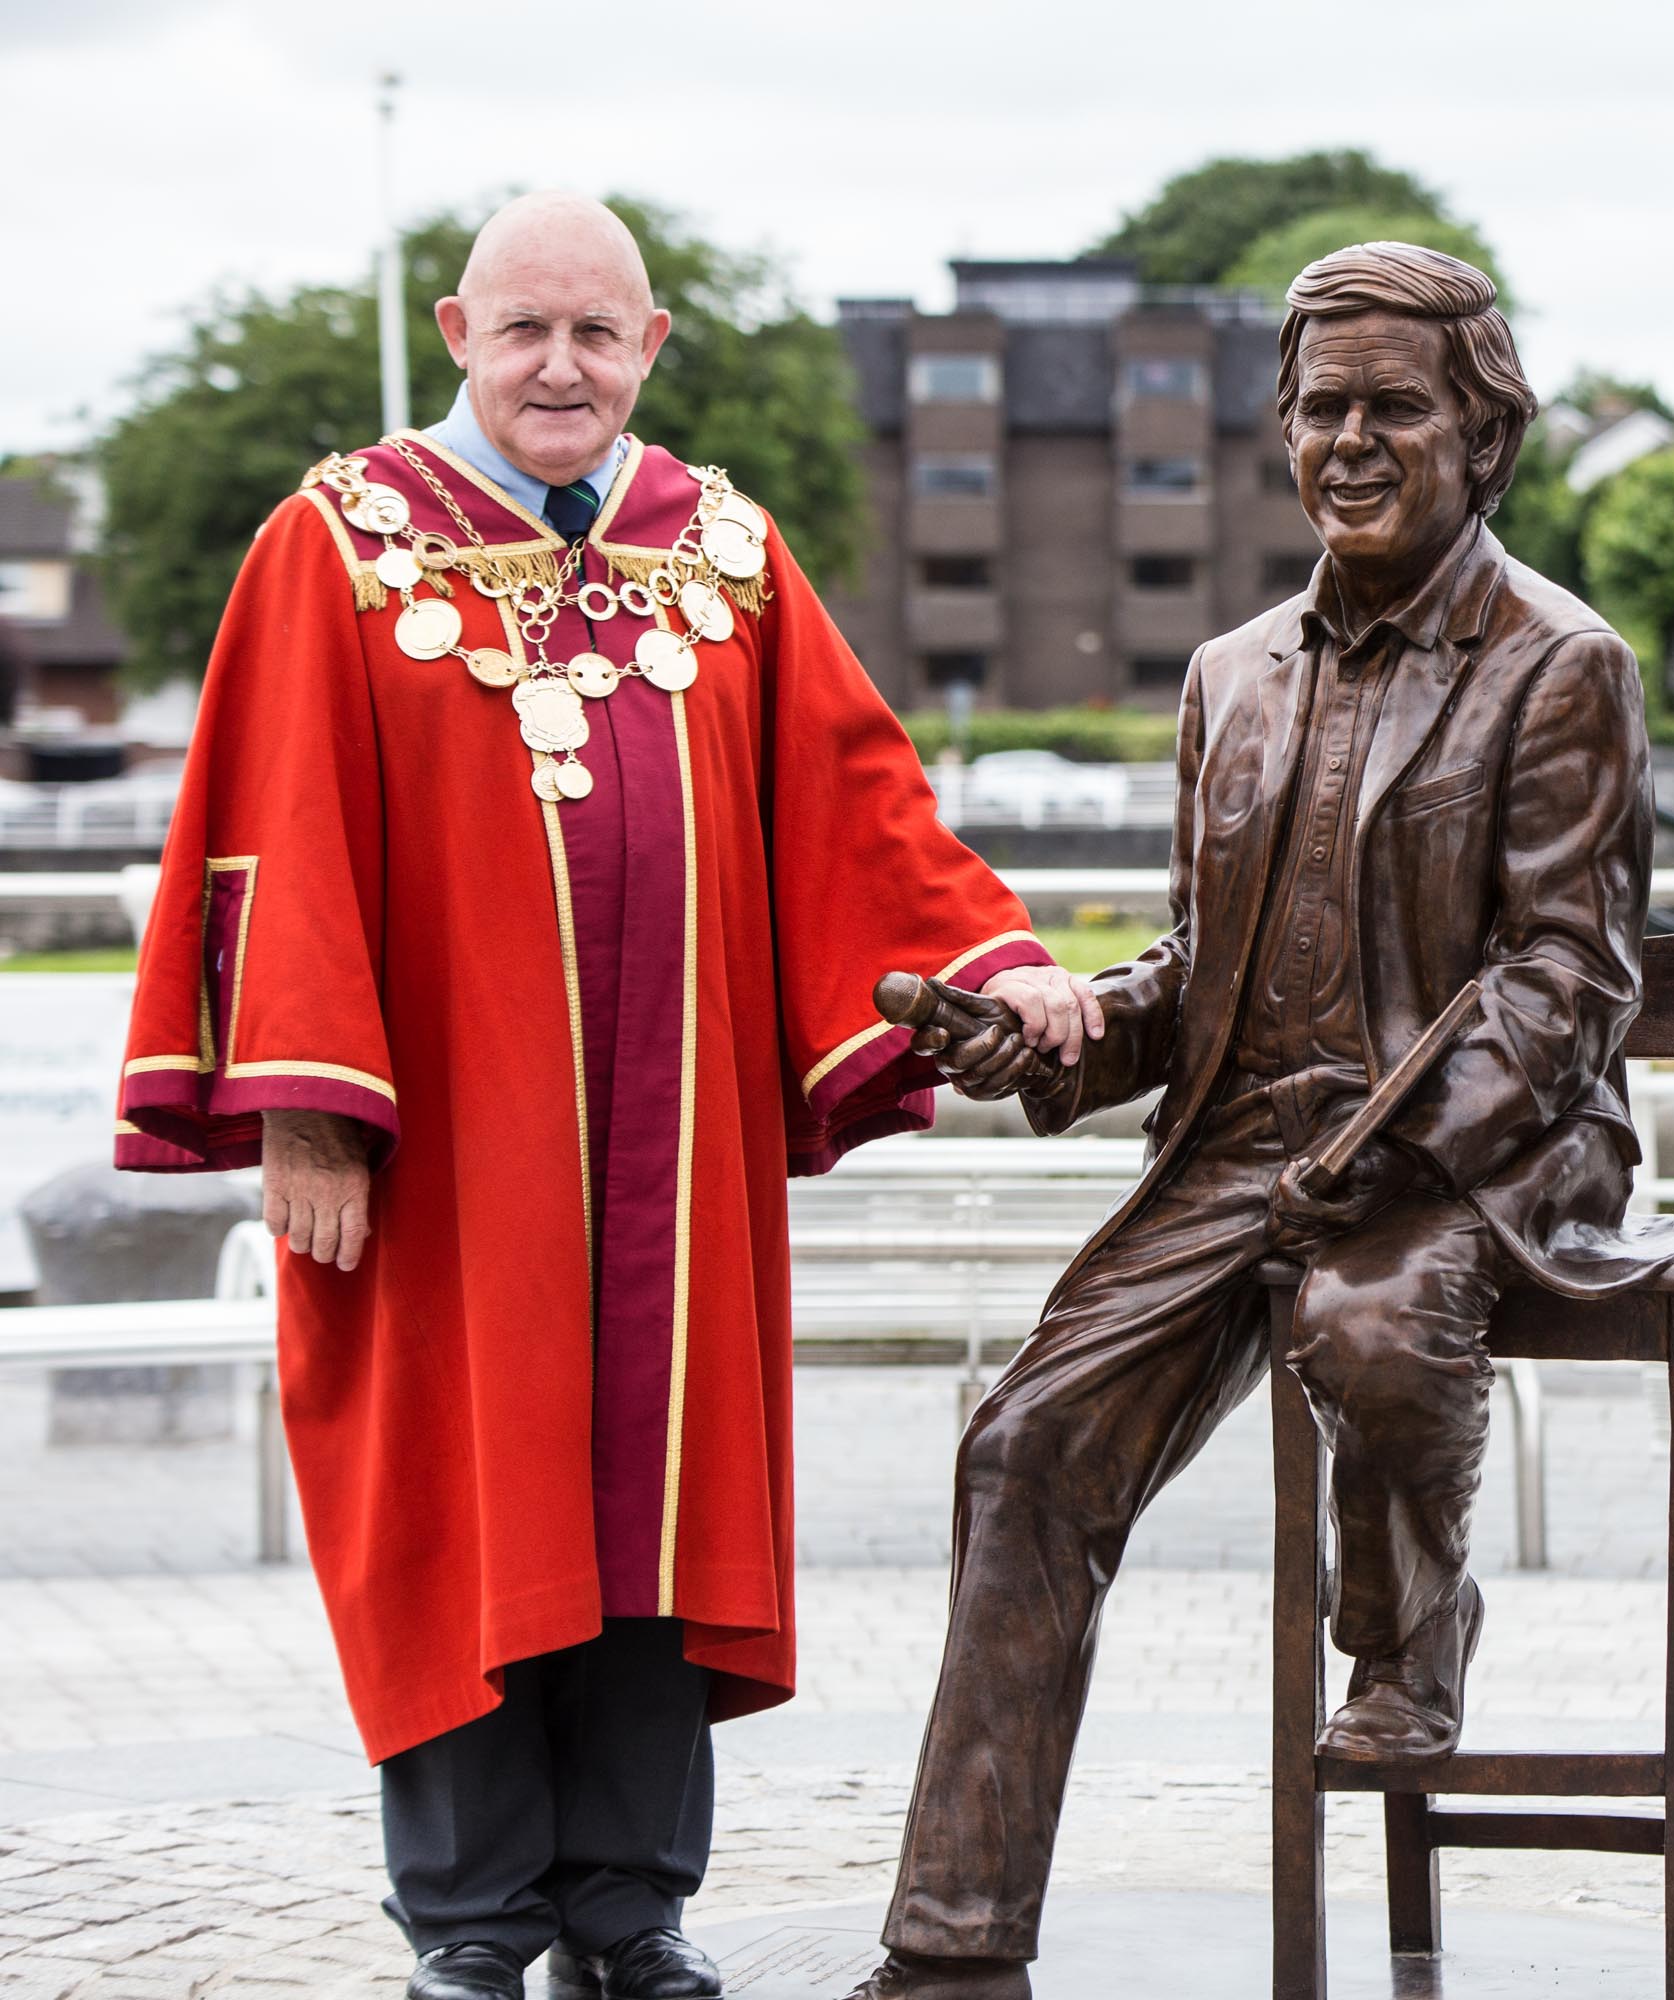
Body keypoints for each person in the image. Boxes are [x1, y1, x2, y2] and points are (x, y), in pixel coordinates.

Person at [110, 192, 1100, 2000]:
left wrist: (990, 959)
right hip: (447, 1153)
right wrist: (307, 1111)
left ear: (649, 345)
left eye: (595, 332)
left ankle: (630, 1908)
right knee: (466, 1500)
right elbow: (274, 821)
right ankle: (475, 1920)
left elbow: (856, 797)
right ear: (459, 333)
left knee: (660, 1505)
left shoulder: (720, 551)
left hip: (676, 1152)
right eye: (524, 329)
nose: (558, 366)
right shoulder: (342, 544)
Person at [840, 242, 1674, 2000]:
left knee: (1369, 1317)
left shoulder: (1563, 664)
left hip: (1471, 1151)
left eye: (1395, 407)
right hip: (1240, 1149)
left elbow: (1567, 977)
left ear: (1484, 434)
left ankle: (1410, 1627)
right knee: (1025, 1449)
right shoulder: (1229, 676)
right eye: (1321, 409)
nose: (1350, 441)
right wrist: (1065, 1036)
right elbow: (1199, 964)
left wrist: (1390, 1148)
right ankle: (954, 1957)